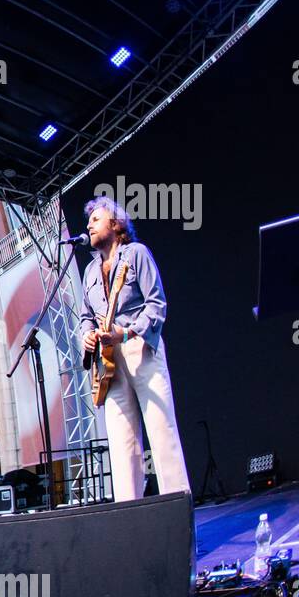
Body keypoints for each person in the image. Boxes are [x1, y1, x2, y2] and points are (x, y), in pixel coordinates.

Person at [78, 195, 191, 503]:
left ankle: (179, 518)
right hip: (108, 362)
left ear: (116, 224)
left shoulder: (136, 254)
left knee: (161, 433)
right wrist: (87, 336)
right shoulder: (89, 272)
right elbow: (85, 318)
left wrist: (125, 334)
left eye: (96, 220)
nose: (89, 225)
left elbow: (157, 305)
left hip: (141, 350)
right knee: (122, 444)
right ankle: (131, 521)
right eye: (88, 221)